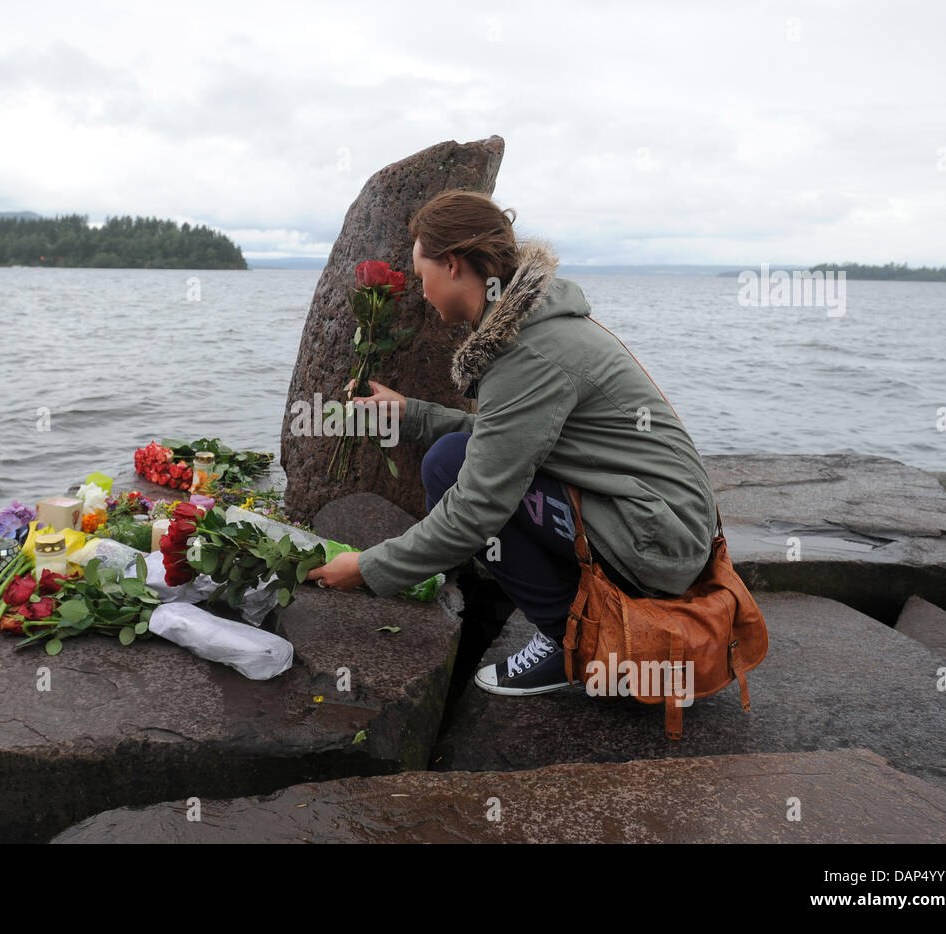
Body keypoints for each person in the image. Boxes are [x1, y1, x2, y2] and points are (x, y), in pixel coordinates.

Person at [305, 190, 718, 697]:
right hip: (657, 519)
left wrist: (367, 568)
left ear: (453, 265)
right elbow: (506, 439)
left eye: (421, 276)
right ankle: (577, 623)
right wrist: (412, 415)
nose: (420, 291)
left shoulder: (528, 352)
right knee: (454, 460)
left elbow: (477, 506)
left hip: (656, 539)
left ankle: (573, 642)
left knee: (448, 470)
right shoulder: (529, 328)